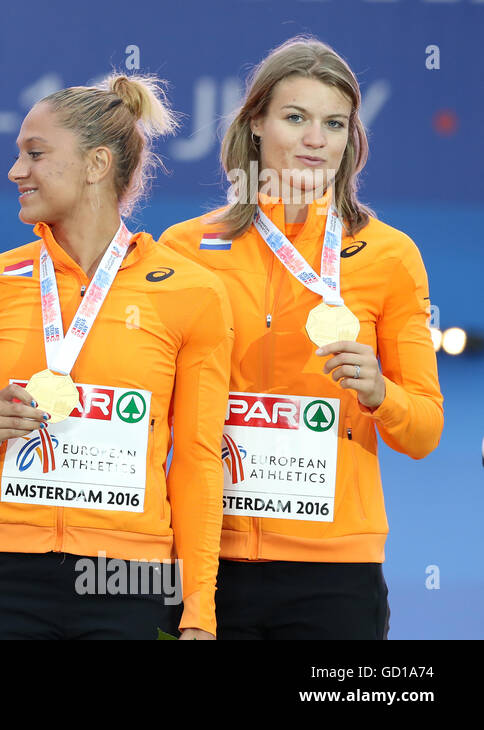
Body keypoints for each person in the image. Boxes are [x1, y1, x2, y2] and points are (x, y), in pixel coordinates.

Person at [0, 75, 233, 640]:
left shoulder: (192, 292)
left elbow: (196, 464)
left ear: (96, 164)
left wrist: (199, 610)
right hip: (7, 572)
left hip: (132, 576)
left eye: (34, 154)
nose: (16, 171)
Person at [160, 36, 443, 639]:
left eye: (334, 123)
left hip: (334, 575)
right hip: (203, 560)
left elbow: (424, 431)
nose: (317, 140)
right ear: (256, 123)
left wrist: (380, 394)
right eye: (296, 118)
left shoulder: (390, 256)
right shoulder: (183, 250)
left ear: (351, 138)